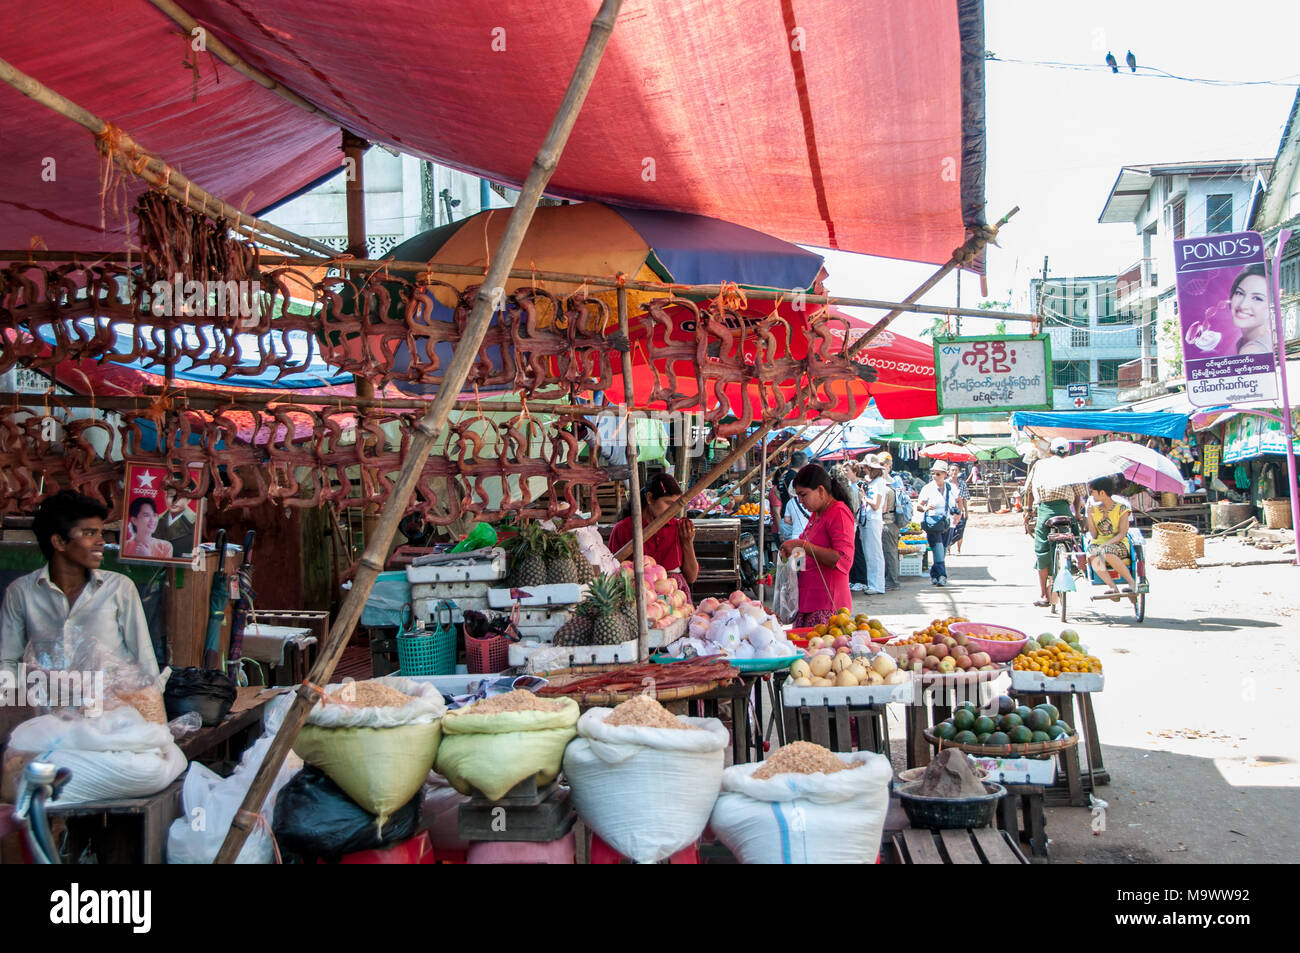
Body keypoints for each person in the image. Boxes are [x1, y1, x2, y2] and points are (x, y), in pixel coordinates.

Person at [1, 490, 158, 679]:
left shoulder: (119, 588)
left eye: (101, 533)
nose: (101, 541)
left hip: (114, 706)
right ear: (59, 542)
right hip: (48, 704)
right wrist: (9, 701)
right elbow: (8, 661)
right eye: (89, 533)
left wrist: (151, 705)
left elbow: (145, 661)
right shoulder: (21, 592)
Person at [778, 464, 856, 627]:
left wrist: (802, 545)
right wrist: (792, 558)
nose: (800, 500)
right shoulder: (816, 514)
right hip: (807, 601)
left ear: (820, 490)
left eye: (803, 495)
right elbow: (804, 555)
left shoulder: (839, 512)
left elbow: (843, 560)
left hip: (827, 606)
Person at [609, 472, 698, 602]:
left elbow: (691, 577)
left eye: (676, 505)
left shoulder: (678, 528)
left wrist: (687, 542)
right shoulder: (623, 529)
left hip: (676, 598)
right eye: (668, 503)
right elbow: (613, 573)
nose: (673, 510)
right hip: (638, 597)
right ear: (650, 498)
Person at [1024, 437, 1088, 609]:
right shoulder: (1071, 466)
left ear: (1050, 451)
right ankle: (1076, 562)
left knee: (1042, 551)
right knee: (1075, 539)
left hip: (1045, 512)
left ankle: (1044, 594)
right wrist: (1079, 515)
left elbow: (1029, 490)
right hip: (1065, 512)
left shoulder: (1039, 465)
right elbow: (1078, 494)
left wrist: (1028, 511)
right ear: (1067, 452)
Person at [1084, 476, 1137, 599]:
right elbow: (1094, 535)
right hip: (1099, 542)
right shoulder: (1094, 509)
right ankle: (1112, 587)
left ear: (1102, 492)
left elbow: (1122, 533)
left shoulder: (1122, 509)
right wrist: (1089, 516)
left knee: (1106, 552)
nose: (1092, 495)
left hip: (1119, 543)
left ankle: (1132, 582)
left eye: (1093, 492)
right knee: (1092, 554)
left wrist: (1105, 545)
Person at [917, 461, 961, 587]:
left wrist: (958, 513)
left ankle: (935, 574)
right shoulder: (928, 488)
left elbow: (957, 502)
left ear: (944, 475)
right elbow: (919, 505)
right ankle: (942, 575)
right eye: (933, 474)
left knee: (943, 550)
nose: (935, 476)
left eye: (938, 474)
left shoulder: (950, 488)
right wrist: (925, 508)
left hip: (948, 523)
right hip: (933, 523)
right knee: (938, 549)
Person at [859, 455, 888, 594]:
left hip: (873, 520)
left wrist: (864, 497)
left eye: (865, 467)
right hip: (868, 520)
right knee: (870, 554)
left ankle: (877, 585)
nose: (864, 469)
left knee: (874, 553)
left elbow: (876, 505)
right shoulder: (874, 482)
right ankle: (873, 584)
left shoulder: (879, 483)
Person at [1229, 264, 1271, 355]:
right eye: (1239, 293)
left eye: (1257, 298)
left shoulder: (1252, 351)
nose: (1243, 305)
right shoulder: (1242, 342)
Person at [879, 452, 902, 591]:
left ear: (888, 466)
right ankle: (891, 580)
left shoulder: (888, 487)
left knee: (890, 553)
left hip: (888, 523)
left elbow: (883, 508)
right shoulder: (893, 483)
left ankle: (893, 581)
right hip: (892, 523)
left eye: (882, 465)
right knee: (891, 552)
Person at [156, 487, 197, 559]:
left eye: (180, 497)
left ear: (189, 499)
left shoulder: (195, 522)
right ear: (166, 498)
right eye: (171, 496)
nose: (174, 501)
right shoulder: (155, 521)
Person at [774, 451, 807, 539]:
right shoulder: (796, 478)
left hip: (785, 516)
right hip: (792, 520)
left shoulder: (784, 476)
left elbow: (776, 491)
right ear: (804, 464)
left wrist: (785, 501)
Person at [948, 466, 971, 555]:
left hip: (960, 511)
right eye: (952, 470)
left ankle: (958, 550)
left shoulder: (962, 484)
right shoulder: (946, 483)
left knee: (960, 531)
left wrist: (966, 511)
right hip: (949, 512)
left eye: (956, 470)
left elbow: (964, 499)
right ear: (949, 472)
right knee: (949, 530)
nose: (954, 472)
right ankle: (948, 549)